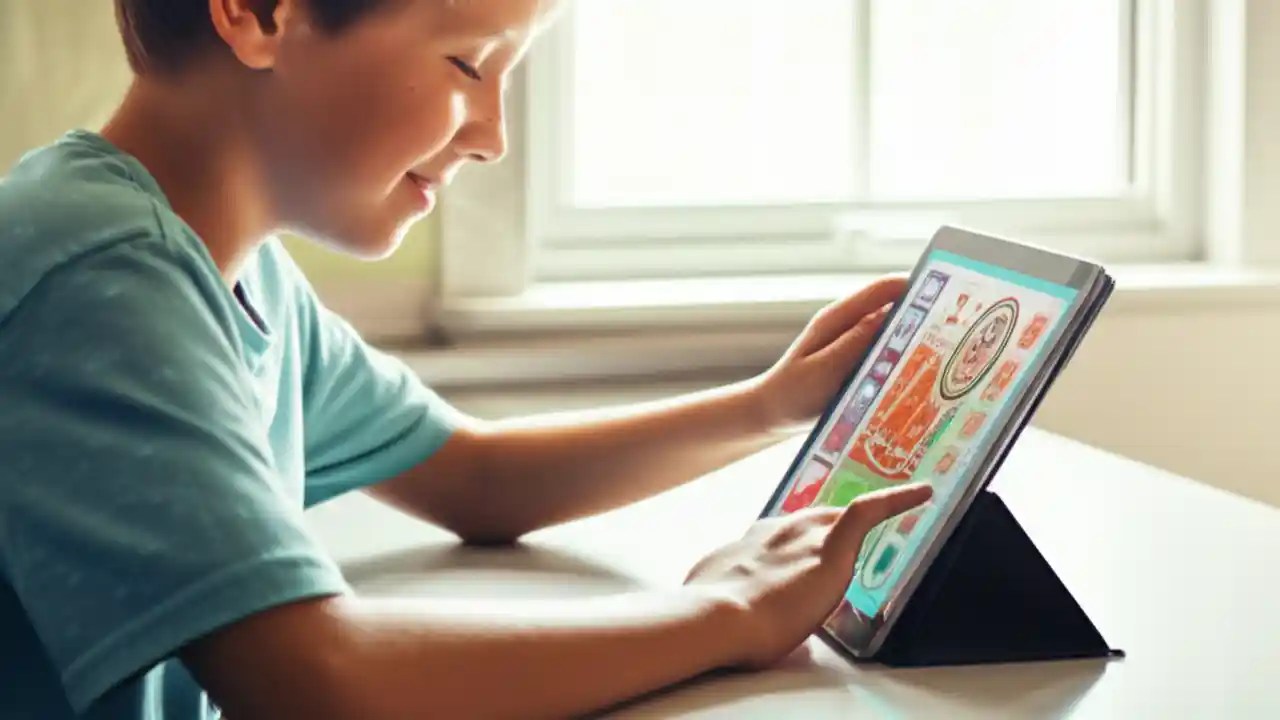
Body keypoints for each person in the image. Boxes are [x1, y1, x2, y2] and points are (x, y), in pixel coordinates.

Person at [0, 1, 932, 718]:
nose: (491, 135)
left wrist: (769, 406)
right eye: (468, 64)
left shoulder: (231, 271)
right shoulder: (98, 273)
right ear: (254, 13)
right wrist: (727, 616)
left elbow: (476, 476)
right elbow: (319, 682)